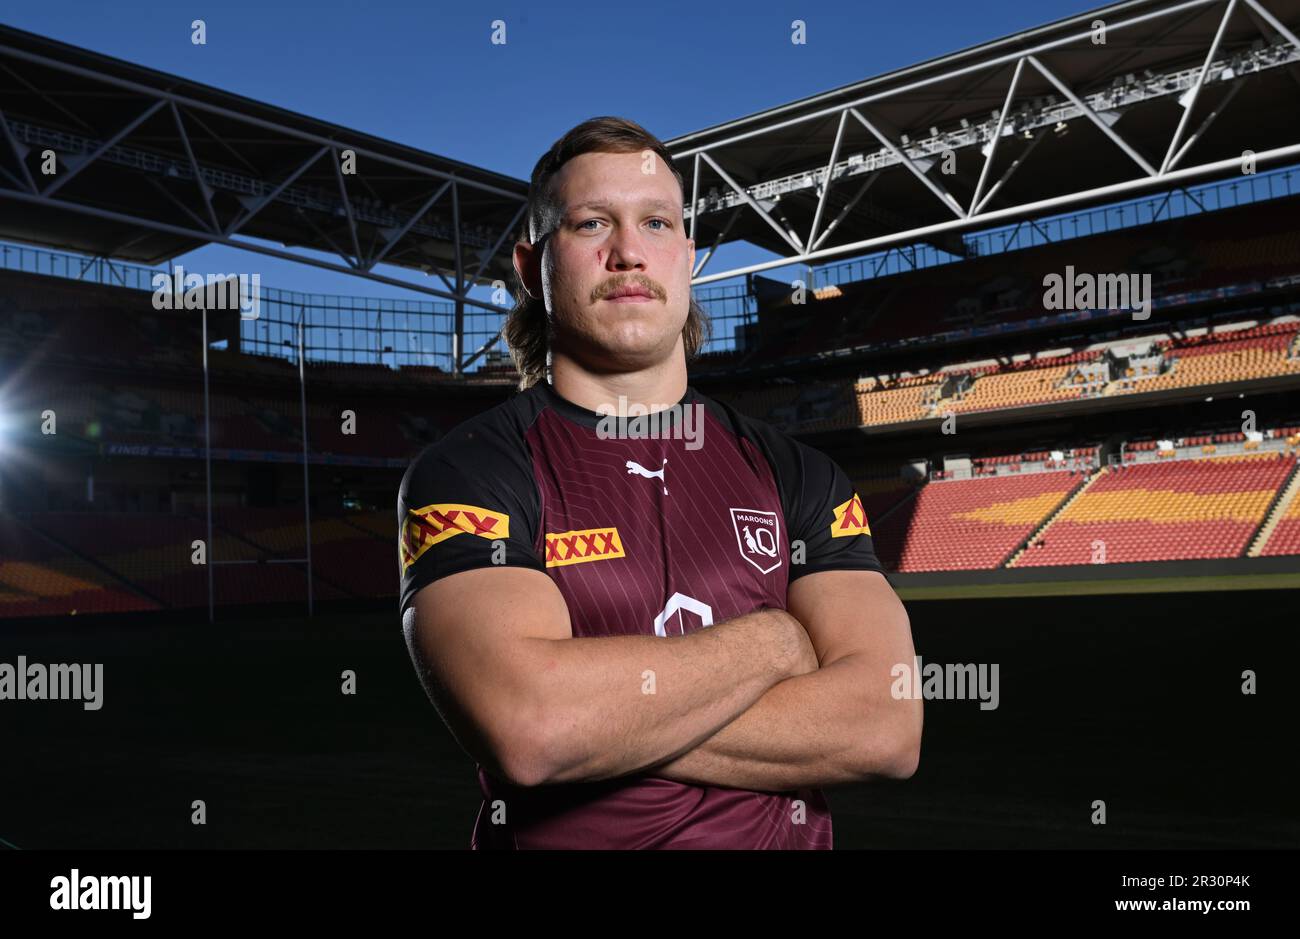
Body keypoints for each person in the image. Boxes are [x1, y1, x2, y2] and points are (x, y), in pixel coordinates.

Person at [398, 115, 921, 849]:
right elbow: (533, 728)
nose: (628, 252)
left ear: (689, 256)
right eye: (590, 224)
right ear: (530, 267)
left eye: (655, 222)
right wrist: (775, 644)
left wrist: (607, 722)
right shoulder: (472, 471)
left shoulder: (799, 474)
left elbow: (885, 725)